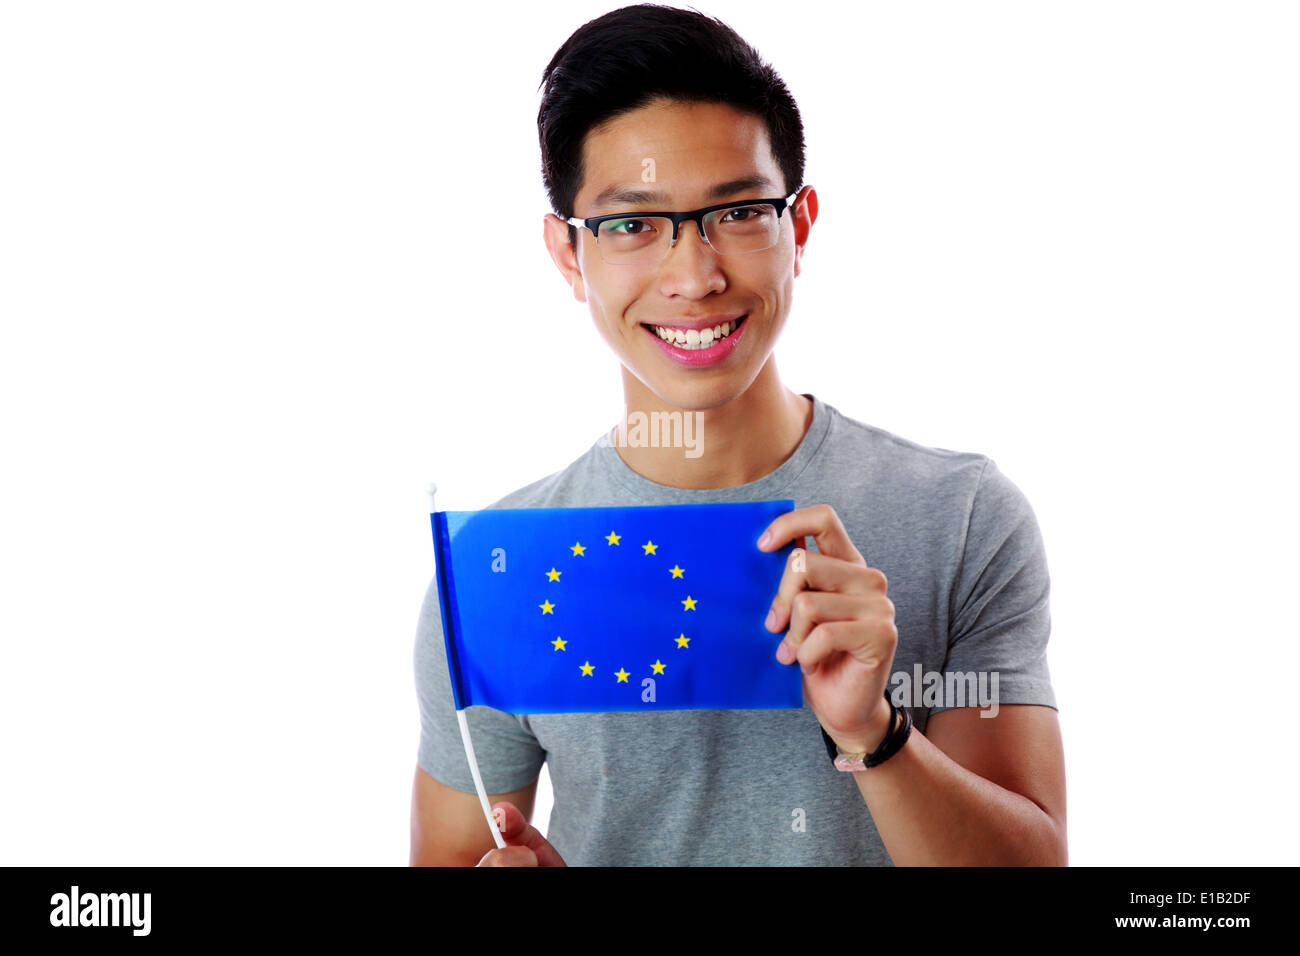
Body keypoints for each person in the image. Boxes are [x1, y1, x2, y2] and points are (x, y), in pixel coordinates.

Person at [410, 3, 1066, 866]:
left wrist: (874, 731)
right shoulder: (495, 572)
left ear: (798, 227)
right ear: (569, 255)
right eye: (632, 224)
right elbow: (458, 856)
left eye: (739, 212)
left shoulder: (963, 518)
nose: (696, 275)